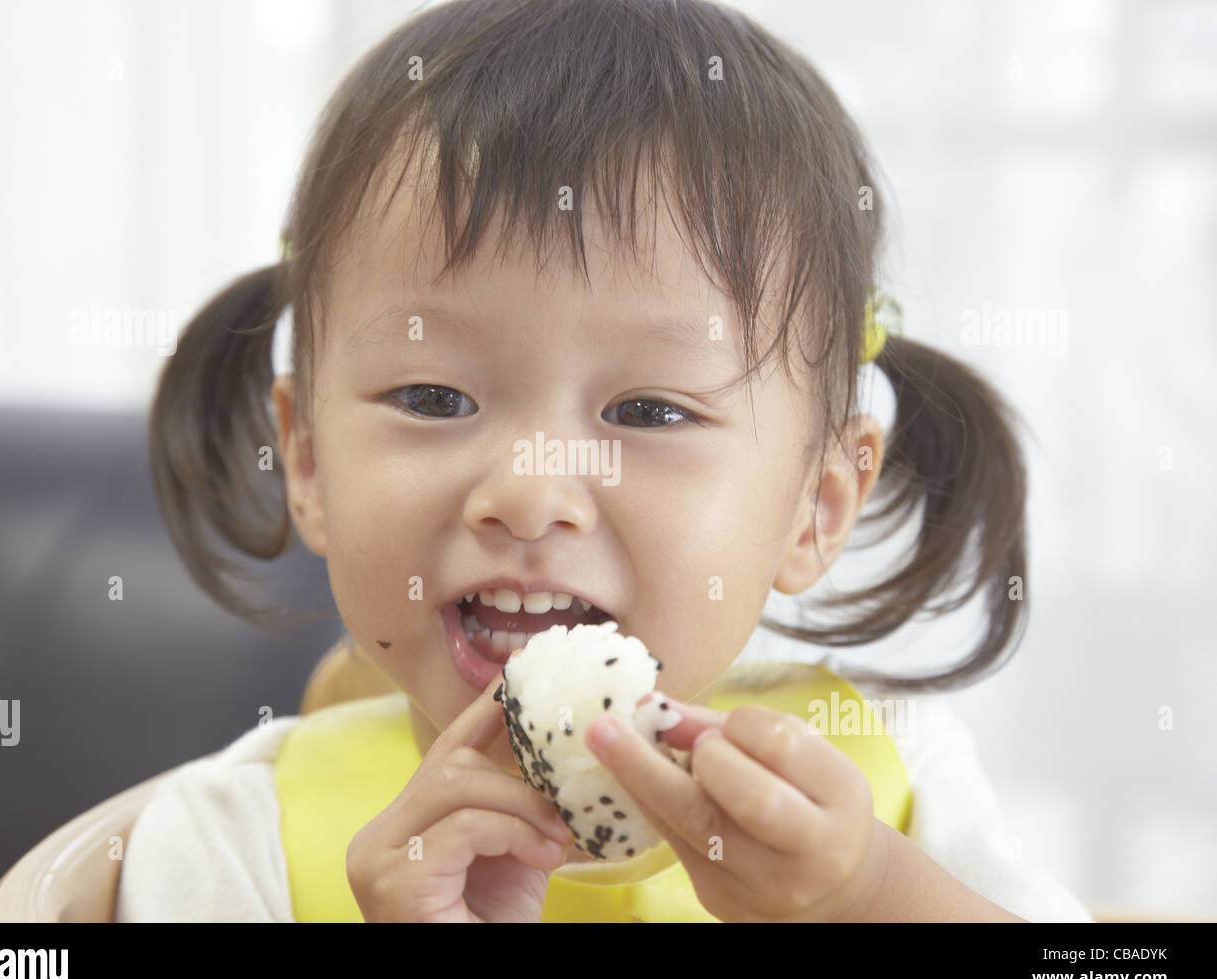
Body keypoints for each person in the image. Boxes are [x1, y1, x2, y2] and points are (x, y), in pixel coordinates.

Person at [116, 0, 1092, 922]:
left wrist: (874, 895)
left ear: (816, 506)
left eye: (648, 409)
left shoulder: (891, 777)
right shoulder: (230, 844)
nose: (530, 494)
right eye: (431, 398)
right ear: (309, 461)